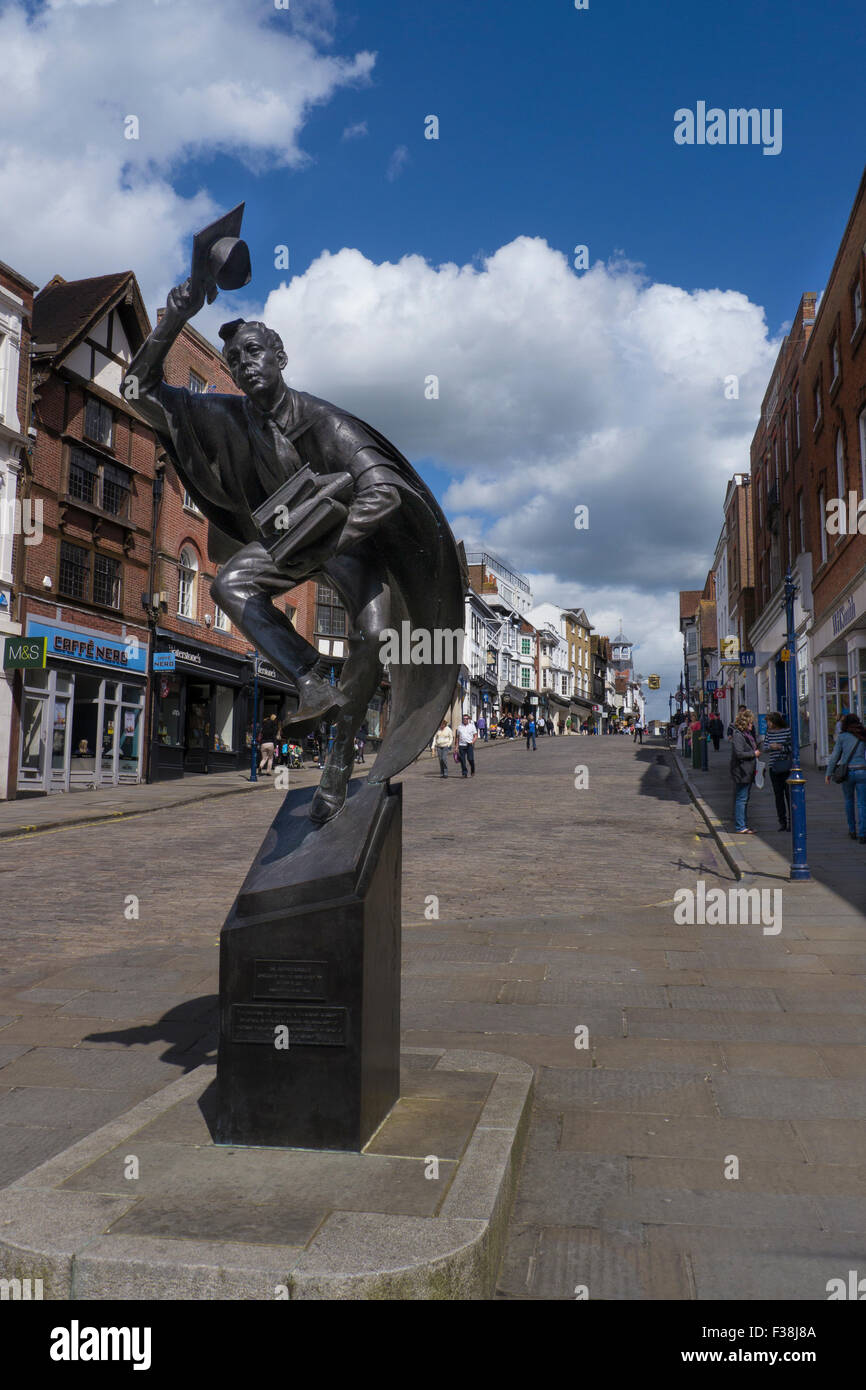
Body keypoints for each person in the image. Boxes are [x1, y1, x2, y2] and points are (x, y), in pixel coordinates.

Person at [825, 712, 866, 841]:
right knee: (862, 803)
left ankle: (852, 830)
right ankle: (863, 833)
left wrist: (828, 773)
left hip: (847, 772)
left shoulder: (842, 737)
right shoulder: (863, 735)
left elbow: (834, 757)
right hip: (862, 771)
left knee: (849, 801)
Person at [730, 706, 760, 833]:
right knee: (741, 798)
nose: (752, 725)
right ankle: (740, 826)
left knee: (744, 798)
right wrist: (754, 754)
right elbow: (739, 753)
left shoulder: (746, 734)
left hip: (747, 770)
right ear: (745, 723)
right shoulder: (738, 735)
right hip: (741, 771)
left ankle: (743, 824)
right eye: (750, 723)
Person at [761, 711, 793, 831]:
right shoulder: (769, 733)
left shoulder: (787, 731)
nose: (768, 724)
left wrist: (780, 747)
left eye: (769, 722)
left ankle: (791, 822)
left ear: (775, 721)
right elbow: (764, 747)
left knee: (789, 795)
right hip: (773, 767)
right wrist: (770, 747)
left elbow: (792, 747)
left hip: (786, 767)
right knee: (778, 796)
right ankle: (782, 821)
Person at [455, 712, 477, 777]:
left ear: (468, 719)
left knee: (470, 759)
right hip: (461, 745)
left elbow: (475, 736)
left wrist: (472, 742)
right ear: (462, 719)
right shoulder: (459, 727)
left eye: (466, 719)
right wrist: (456, 747)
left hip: (469, 745)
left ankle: (472, 769)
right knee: (462, 760)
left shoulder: (472, 726)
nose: (465, 720)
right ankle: (464, 773)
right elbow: (457, 737)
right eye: (464, 719)